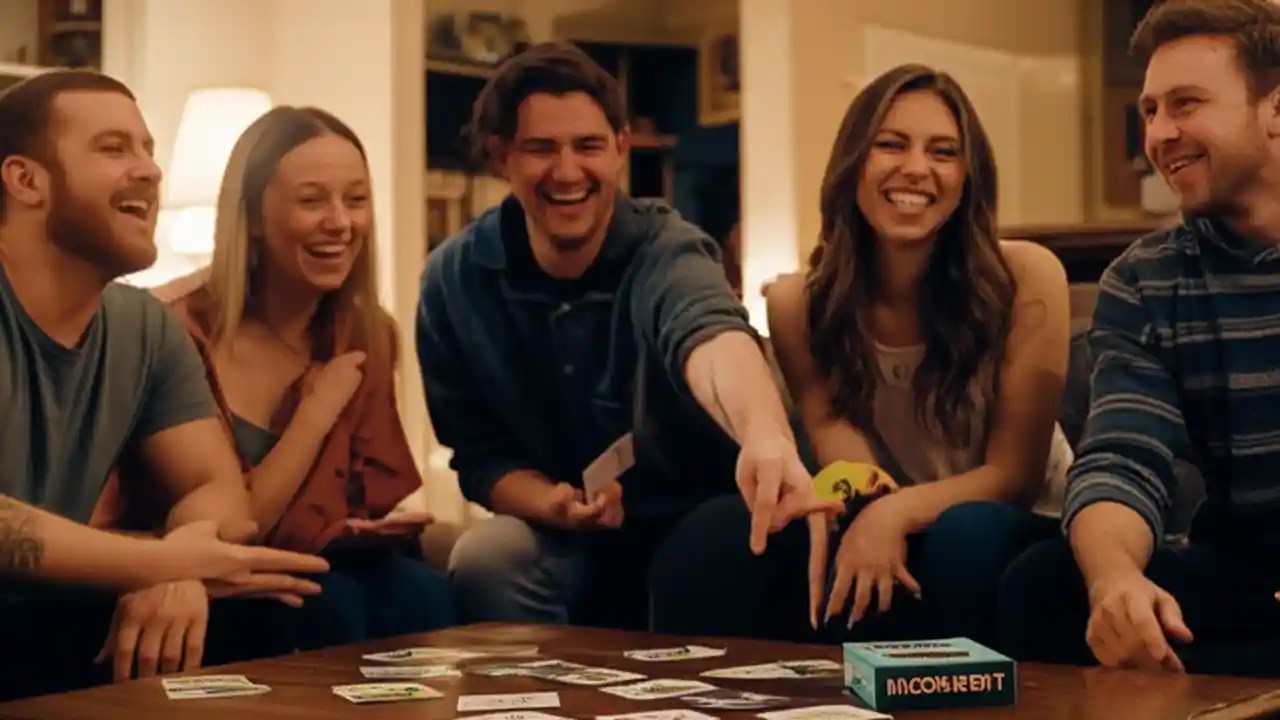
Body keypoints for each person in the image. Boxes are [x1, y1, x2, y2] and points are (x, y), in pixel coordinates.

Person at [416, 42, 837, 630]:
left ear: (619, 148)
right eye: (541, 148)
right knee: (487, 556)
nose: (568, 172)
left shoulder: (666, 249)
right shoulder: (451, 281)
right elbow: (482, 458)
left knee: (706, 549)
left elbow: (710, 336)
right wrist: (555, 505)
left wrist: (764, 434)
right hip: (564, 539)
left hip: (693, 519)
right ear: (500, 156)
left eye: (588, 146)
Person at [649, 63, 1073, 646]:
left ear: (968, 176)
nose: (916, 168)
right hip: (880, 515)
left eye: (943, 152)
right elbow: (848, 465)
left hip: (1008, 524)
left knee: (963, 537)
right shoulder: (798, 302)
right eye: (891, 144)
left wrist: (893, 517)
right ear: (854, 165)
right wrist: (867, 513)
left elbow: (1015, 476)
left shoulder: (1026, 275)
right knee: (715, 534)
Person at [0, 70, 329, 700]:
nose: (150, 170)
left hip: (40, 616)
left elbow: (216, 489)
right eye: (113, 147)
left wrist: (176, 572)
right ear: (25, 180)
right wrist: (166, 563)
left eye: (148, 150)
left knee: (269, 612)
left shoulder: (143, 326)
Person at [1000, 0, 1280, 677]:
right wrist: (1113, 583)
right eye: (1150, 110)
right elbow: (1125, 456)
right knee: (1042, 584)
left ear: (1275, 111)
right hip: (1248, 566)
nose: (1159, 134)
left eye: (1186, 104)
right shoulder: (1147, 279)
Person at [146, 106, 458, 649]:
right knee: (329, 605)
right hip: (199, 568)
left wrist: (365, 527)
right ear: (254, 216)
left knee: (424, 593)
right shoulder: (176, 328)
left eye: (356, 200)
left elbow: (365, 497)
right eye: (312, 200)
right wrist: (314, 414)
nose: (340, 222)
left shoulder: (367, 332)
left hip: (321, 563)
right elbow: (235, 528)